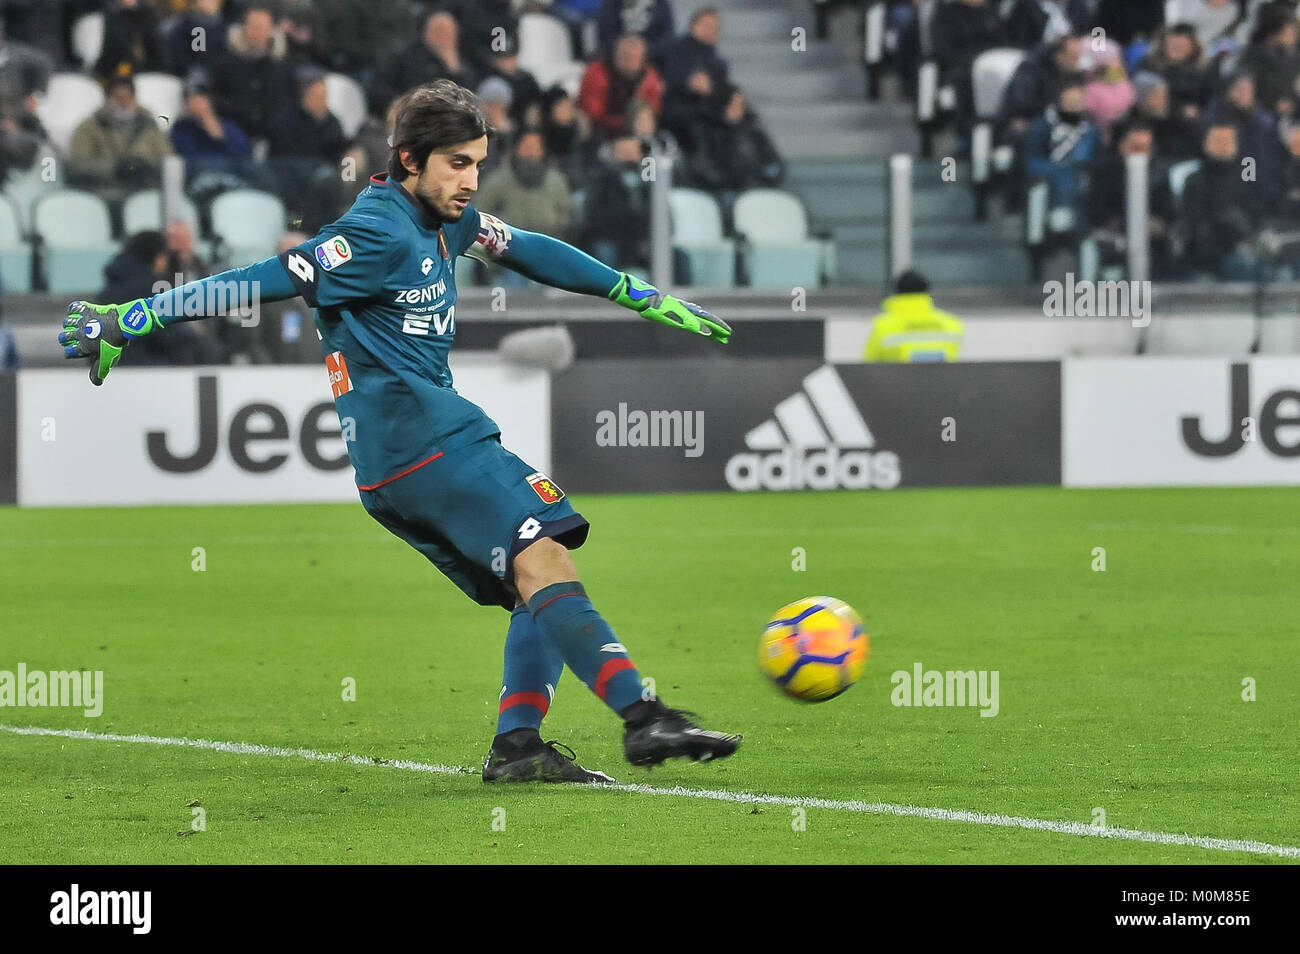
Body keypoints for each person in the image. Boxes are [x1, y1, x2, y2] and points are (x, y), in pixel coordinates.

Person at [56, 79, 739, 783]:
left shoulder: (450, 220)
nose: (472, 180)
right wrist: (136, 316)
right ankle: (643, 718)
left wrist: (634, 292)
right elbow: (267, 278)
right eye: (457, 164)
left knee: (540, 576)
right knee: (545, 555)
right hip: (426, 442)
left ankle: (520, 749)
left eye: (477, 163)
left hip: (403, 462)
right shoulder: (375, 230)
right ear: (411, 160)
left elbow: (528, 248)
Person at [67, 74, 174, 213]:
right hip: (109, 192)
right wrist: (115, 168)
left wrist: (146, 165)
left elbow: (168, 159)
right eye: (119, 98)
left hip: (145, 188)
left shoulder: (149, 125)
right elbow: (77, 165)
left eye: (129, 97)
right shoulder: (90, 127)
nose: (124, 103)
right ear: (108, 99)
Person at [864, 271, 964, 363]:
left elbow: (869, 362)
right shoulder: (951, 323)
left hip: (896, 381)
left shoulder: (883, 325)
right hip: (940, 381)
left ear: (897, 291)